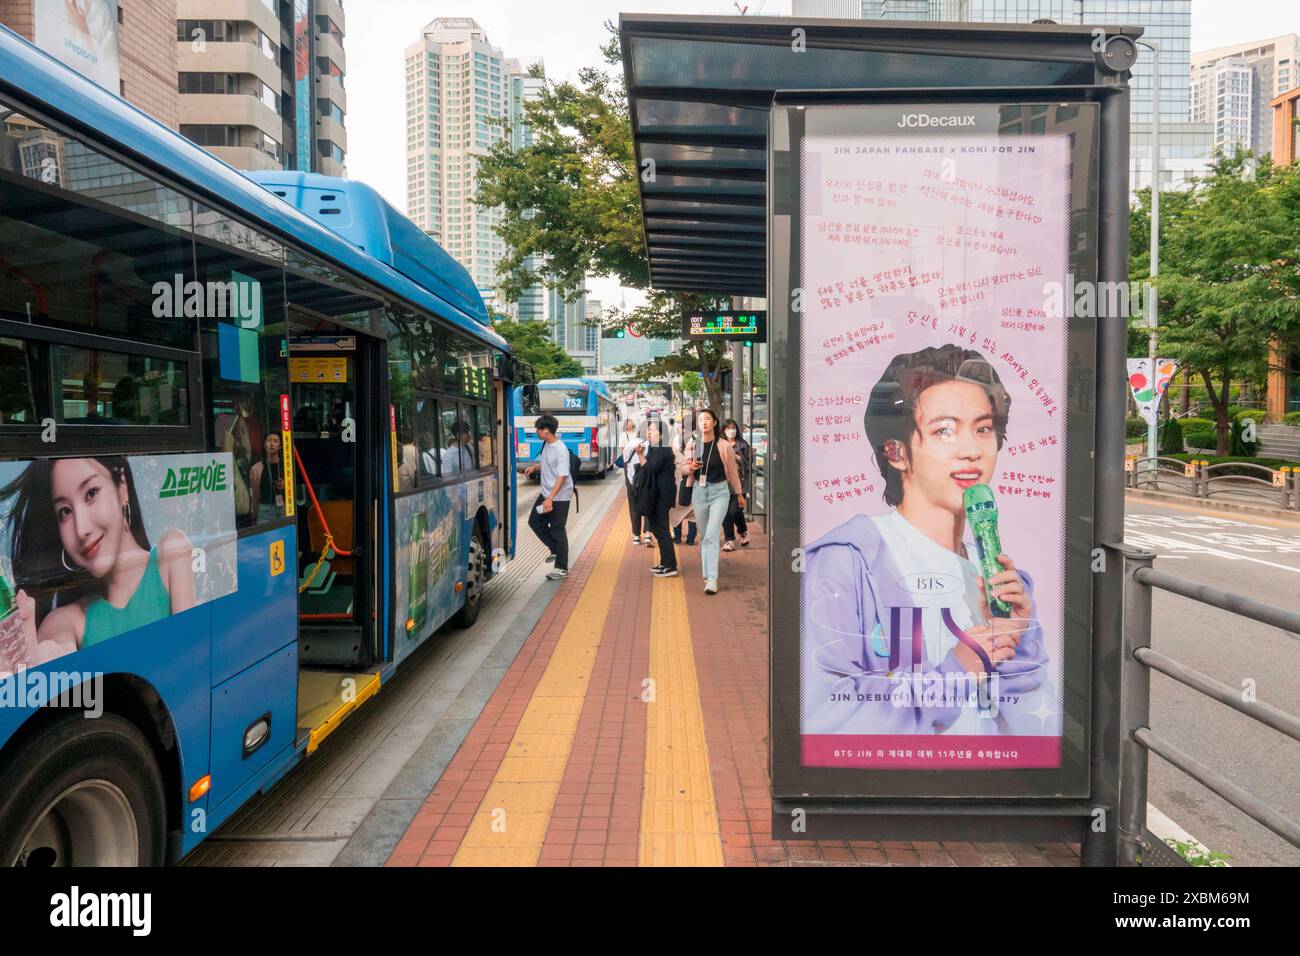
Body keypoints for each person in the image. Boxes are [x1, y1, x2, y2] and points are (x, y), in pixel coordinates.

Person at [801, 344, 1054, 736]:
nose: (972, 450)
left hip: (983, 791)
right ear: (895, 451)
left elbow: (1039, 734)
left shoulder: (1001, 584)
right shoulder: (848, 563)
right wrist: (957, 671)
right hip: (896, 794)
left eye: (983, 429)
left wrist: (1018, 644)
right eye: (944, 431)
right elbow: (825, 716)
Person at [0, 456, 197, 669]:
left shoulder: (171, 553)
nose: (81, 529)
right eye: (65, 512)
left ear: (122, 487)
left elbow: (191, 660)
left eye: (91, 494)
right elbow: (52, 650)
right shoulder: (68, 618)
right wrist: (26, 653)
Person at [683, 408, 745, 595]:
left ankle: (712, 578)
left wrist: (739, 493)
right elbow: (684, 469)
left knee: (711, 534)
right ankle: (707, 573)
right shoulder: (693, 444)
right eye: (701, 419)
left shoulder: (724, 445)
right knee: (704, 535)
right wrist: (691, 467)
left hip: (720, 492)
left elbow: (733, 472)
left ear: (715, 422)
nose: (704, 422)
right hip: (699, 492)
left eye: (708, 419)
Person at [523, 414, 573, 581]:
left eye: (538, 429)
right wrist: (535, 467)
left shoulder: (560, 449)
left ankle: (562, 567)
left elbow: (562, 475)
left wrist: (551, 497)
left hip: (560, 496)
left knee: (557, 528)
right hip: (547, 493)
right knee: (535, 522)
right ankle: (555, 549)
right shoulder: (546, 444)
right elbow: (548, 463)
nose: (536, 432)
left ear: (546, 431)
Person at [635, 421, 683, 578]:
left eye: (653, 430)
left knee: (661, 530)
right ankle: (665, 563)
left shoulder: (663, 450)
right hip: (656, 495)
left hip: (661, 496)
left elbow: (649, 469)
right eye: (648, 430)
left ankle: (670, 565)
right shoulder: (655, 449)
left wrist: (640, 455)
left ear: (662, 435)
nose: (649, 432)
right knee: (657, 529)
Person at [721, 418, 752, 551]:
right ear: (723, 430)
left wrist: (738, 457)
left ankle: (743, 530)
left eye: (733, 428)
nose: (731, 431)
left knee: (735, 511)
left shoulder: (743, 445)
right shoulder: (720, 444)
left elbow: (749, 464)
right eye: (728, 428)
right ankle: (729, 540)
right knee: (725, 513)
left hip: (739, 484)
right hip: (722, 484)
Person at [620, 417, 649, 545]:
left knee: (634, 506)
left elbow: (625, 461)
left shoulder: (630, 444)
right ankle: (648, 534)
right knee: (649, 504)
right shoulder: (649, 445)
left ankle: (636, 537)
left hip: (631, 479)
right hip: (646, 479)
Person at [248, 432, 288, 522]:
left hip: (284, 508)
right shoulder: (256, 468)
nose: (272, 444)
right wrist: (253, 514)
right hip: (264, 509)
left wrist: (286, 485)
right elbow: (253, 494)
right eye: (269, 441)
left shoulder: (287, 466)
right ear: (264, 445)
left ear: (280, 446)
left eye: (275, 441)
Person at [672, 410, 697, 546]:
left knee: (678, 508)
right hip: (689, 480)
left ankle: (678, 537)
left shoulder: (679, 438)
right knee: (692, 510)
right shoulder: (696, 437)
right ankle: (690, 539)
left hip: (681, 479)